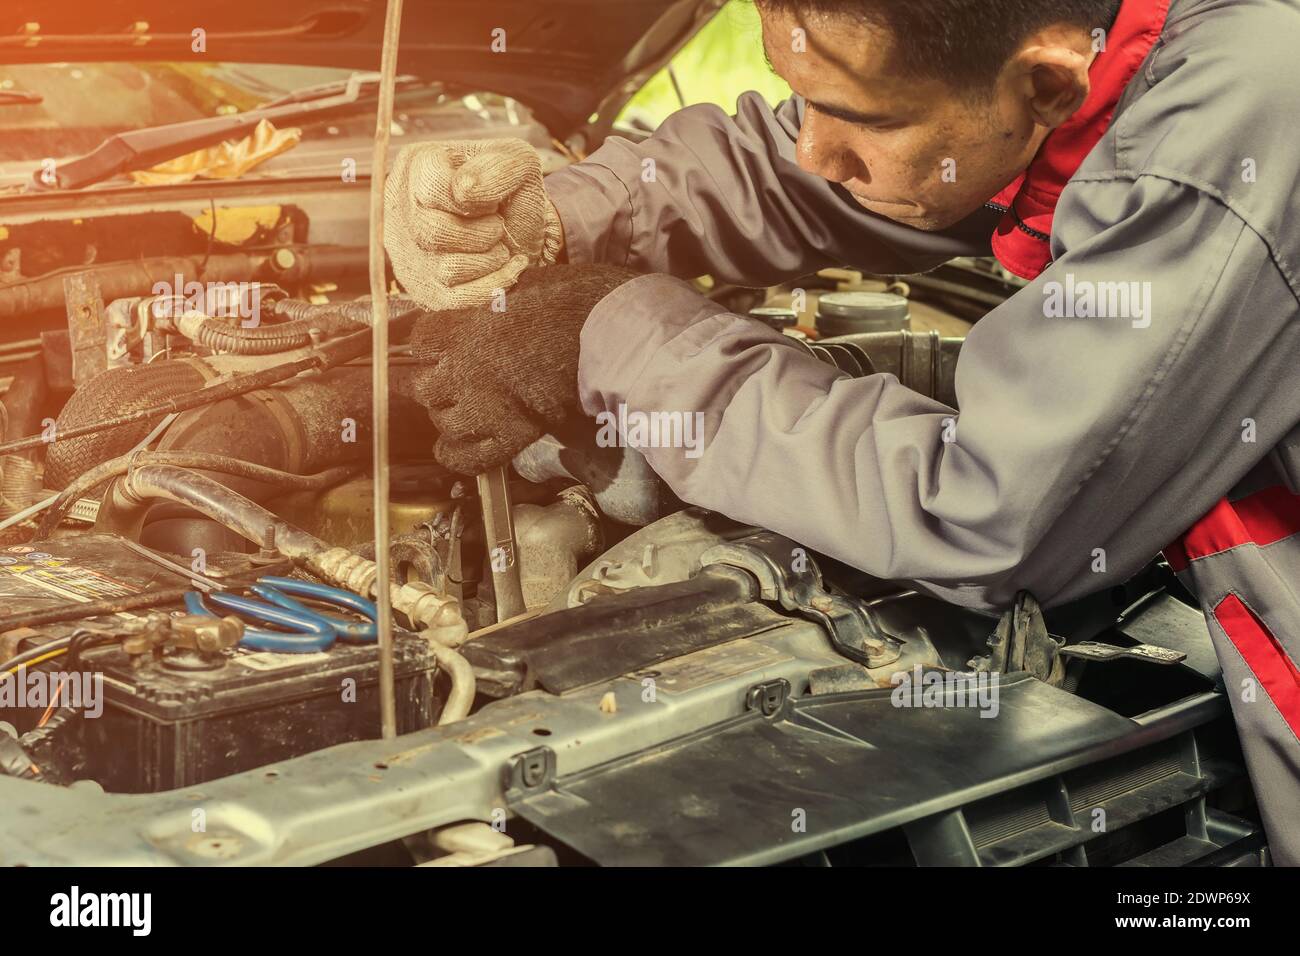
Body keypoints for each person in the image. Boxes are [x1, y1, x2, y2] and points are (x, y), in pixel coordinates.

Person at [384, 0, 1300, 863]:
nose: (818, 150)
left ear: (1048, 86)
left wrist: (617, 336)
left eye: (859, 118)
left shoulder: (1231, 135)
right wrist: (569, 210)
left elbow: (985, 516)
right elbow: (820, 167)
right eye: (802, 97)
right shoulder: (1093, 68)